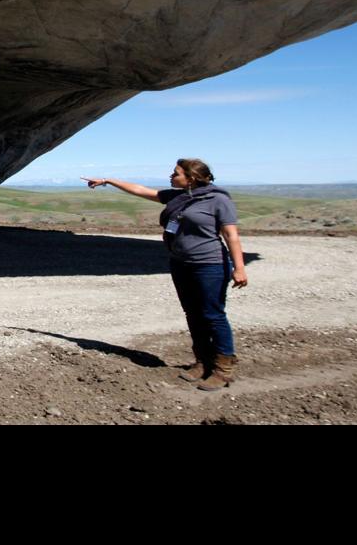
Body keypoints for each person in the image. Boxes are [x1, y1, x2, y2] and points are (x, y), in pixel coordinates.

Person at [82, 159, 248, 389]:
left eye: (176, 173)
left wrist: (239, 268)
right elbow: (140, 190)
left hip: (209, 264)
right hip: (181, 263)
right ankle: (202, 361)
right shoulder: (179, 197)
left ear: (191, 178)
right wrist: (108, 181)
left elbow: (231, 235)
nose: (171, 176)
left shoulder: (218, 199)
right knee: (192, 313)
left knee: (213, 315)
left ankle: (223, 369)